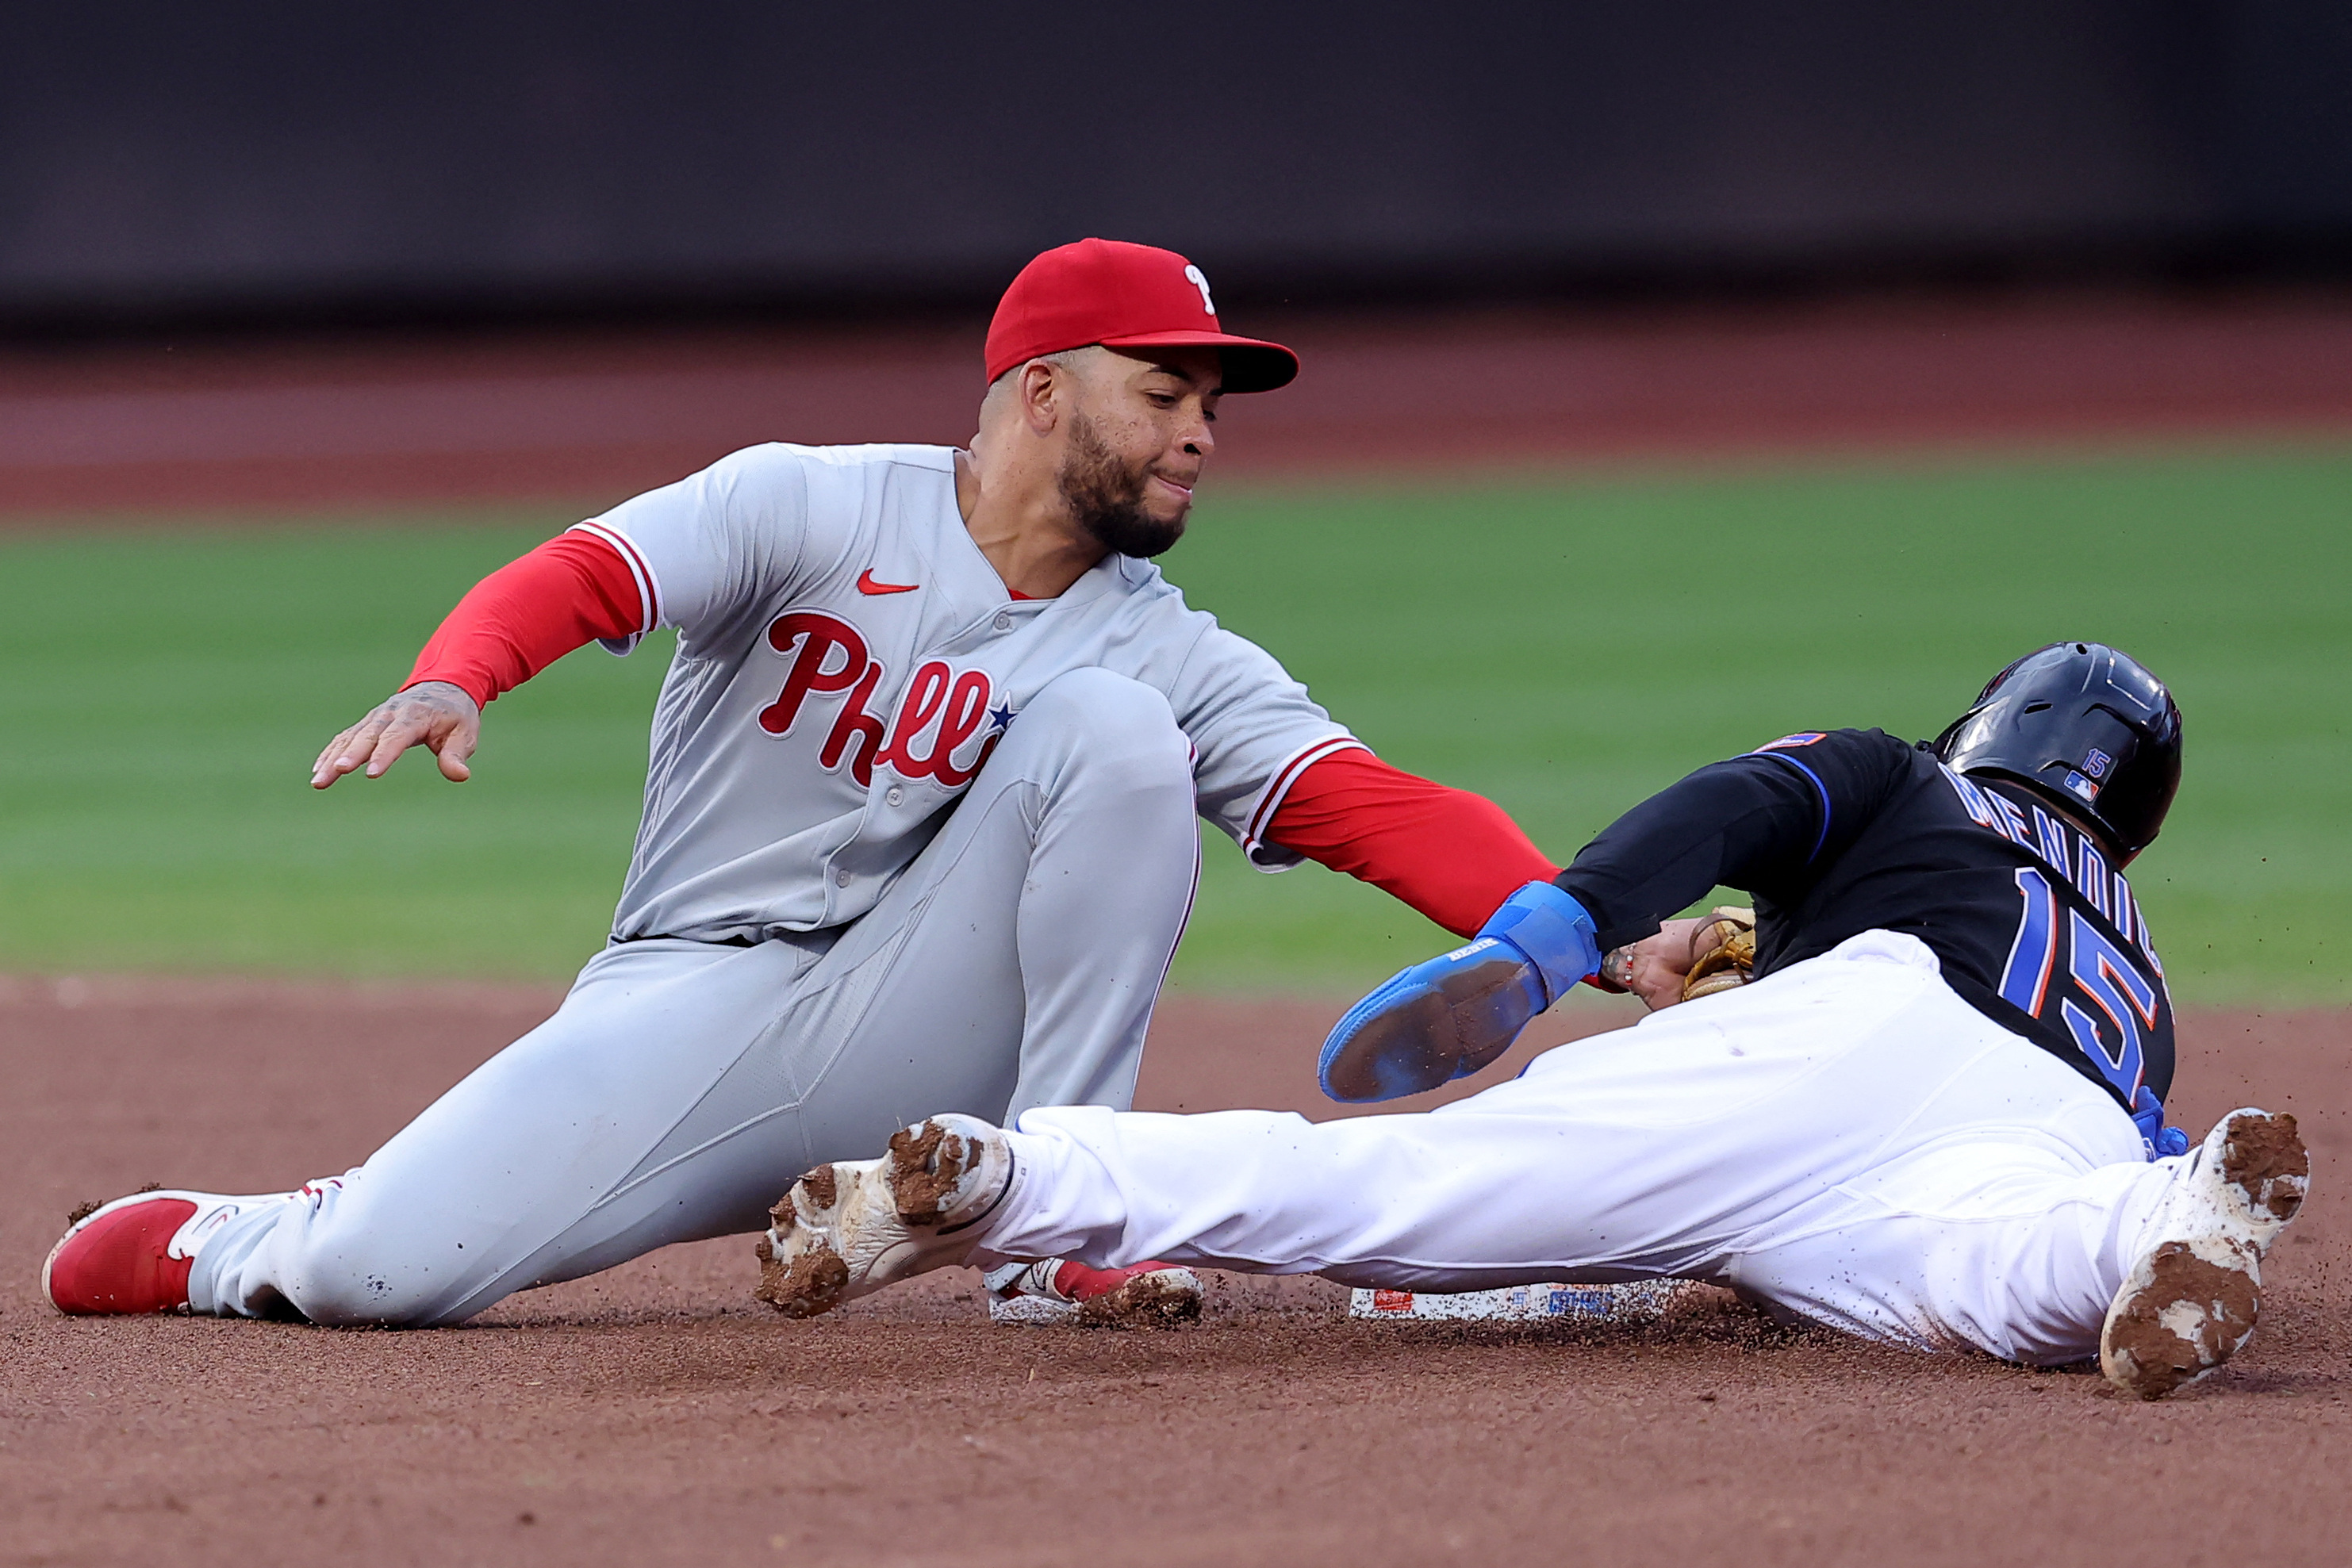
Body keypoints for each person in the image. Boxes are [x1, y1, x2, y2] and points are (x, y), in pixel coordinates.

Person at [42, 240, 1567, 1328]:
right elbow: (593, 570)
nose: (1196, 434)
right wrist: (460, 671)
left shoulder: (1158, 646)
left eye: (1211, 409)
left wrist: (1586, 921)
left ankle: (1058, 1219)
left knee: (1113, 735)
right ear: (1039, 394)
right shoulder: (812, 502)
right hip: (685, 1002)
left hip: (930, 1051)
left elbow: (1370, 804)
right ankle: (231, 1238)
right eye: (1163, 392)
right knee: (378, 1272)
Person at [753, 642, 2310, 1400]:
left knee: (1385, 1192)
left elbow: (1737, 800)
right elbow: (2083, 1071)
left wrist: (1555, 927)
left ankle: (988, 1178)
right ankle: (2161, 1227)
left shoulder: (1916, 778)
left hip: (1853, 1039)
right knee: (1993, 1282)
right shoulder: (2136, 955)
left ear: (1993, 720)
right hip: (2073, 1121)